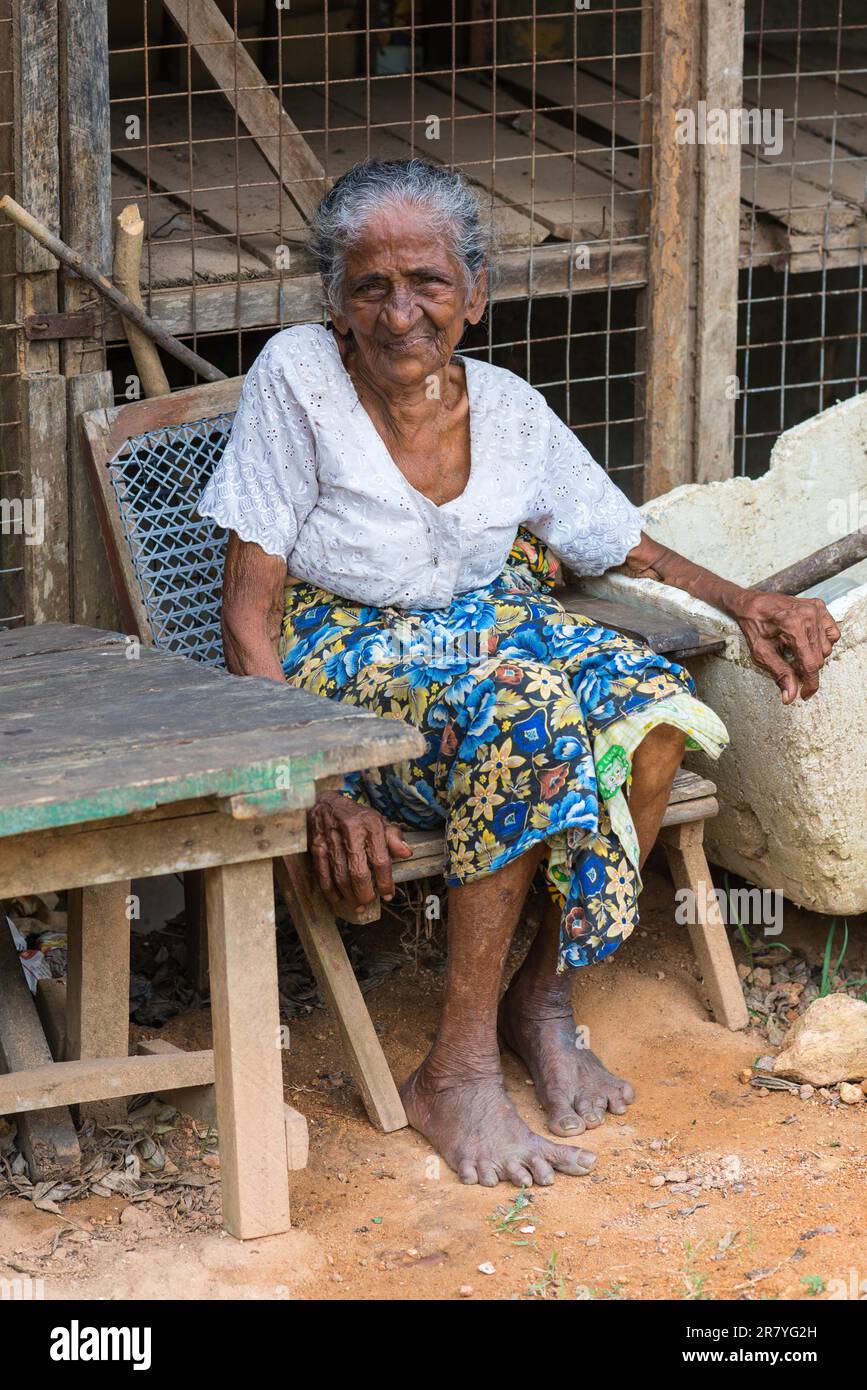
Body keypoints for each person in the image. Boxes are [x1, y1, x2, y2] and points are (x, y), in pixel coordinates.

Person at [198, 159, 840, 1188]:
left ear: (477, 292)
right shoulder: (297, 377)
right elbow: (245, 613)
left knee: (652, 706)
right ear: (333, 301)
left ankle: (539, 995)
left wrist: (746, 601)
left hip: (489, 626)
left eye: (428, 283)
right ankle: (452, 1073)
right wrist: (310, 778)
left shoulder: (507, 408)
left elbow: (620, 542)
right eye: (370, 288)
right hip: (341, 652)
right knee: (524, 708)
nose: (401, 313)